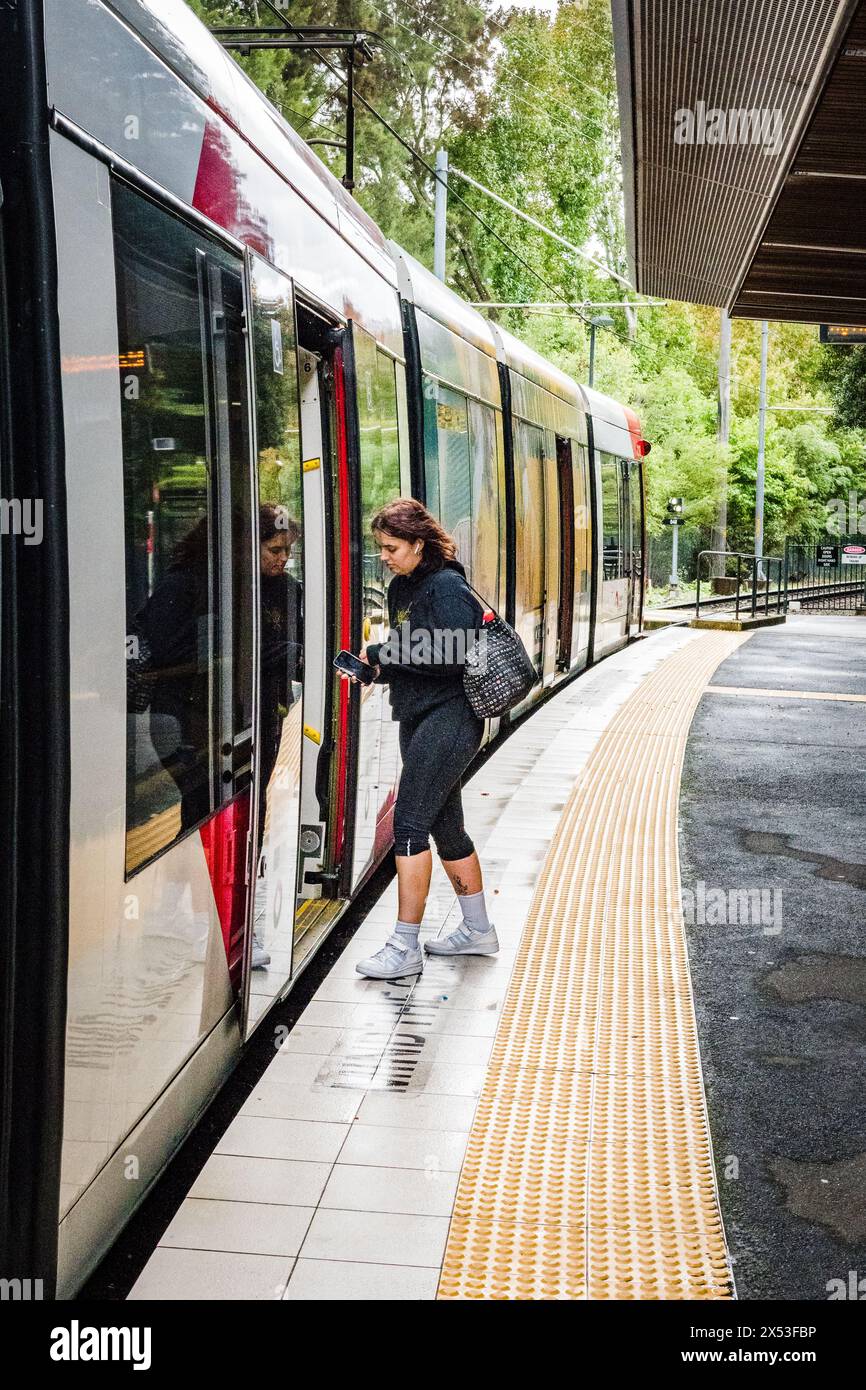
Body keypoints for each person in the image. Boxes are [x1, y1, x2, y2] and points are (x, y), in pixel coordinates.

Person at [340, 497, 499, 980]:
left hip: (450, 720)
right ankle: (477, 930)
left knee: (408, 826)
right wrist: (377, 669)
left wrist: (383, 652)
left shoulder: (447, 587)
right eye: (381, 548)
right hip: (419, 716)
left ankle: (403, 947)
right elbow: (414, 657)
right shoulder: (402, 589)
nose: (384, 557)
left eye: (391, 547)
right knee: (446, 828)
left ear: (418, 543)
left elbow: (451, 654)